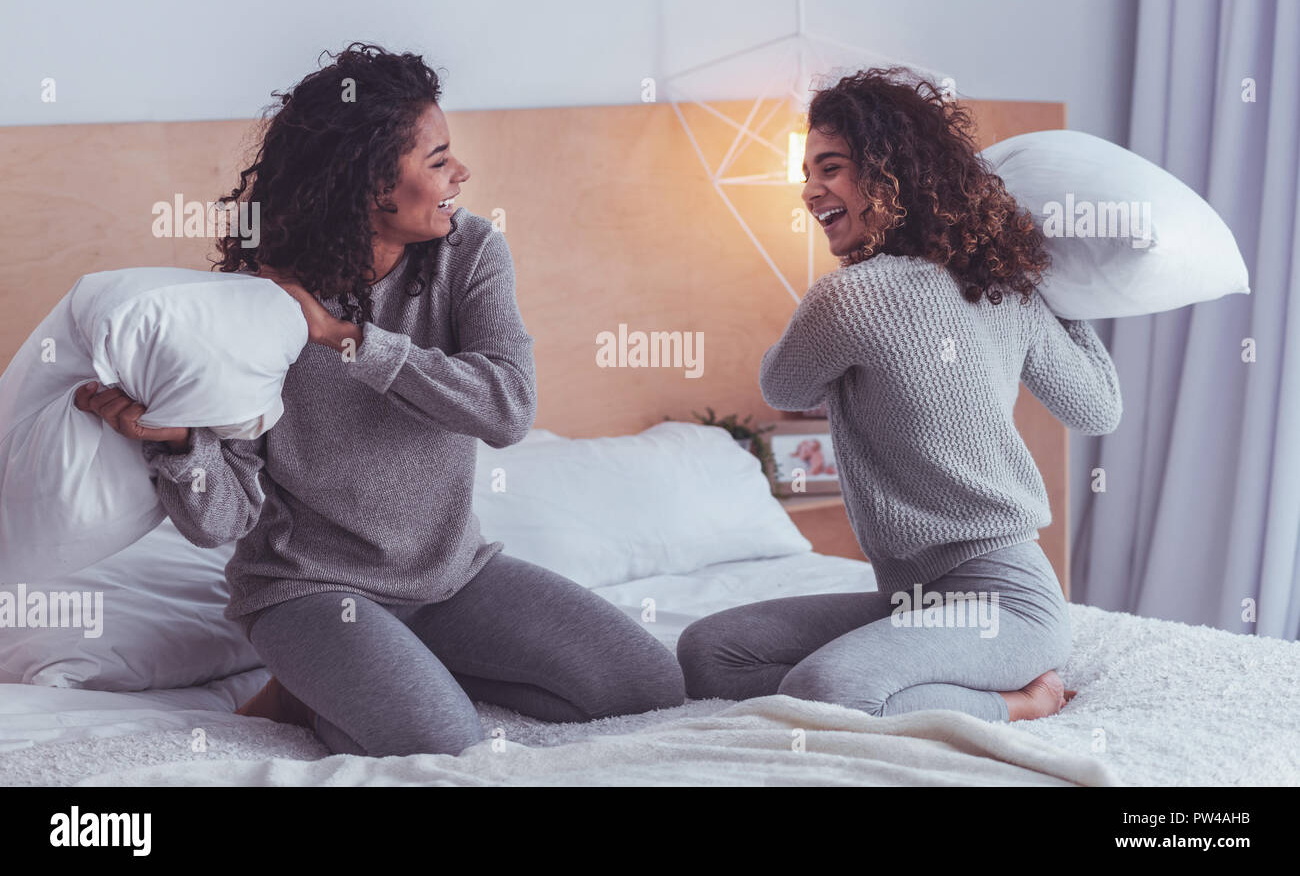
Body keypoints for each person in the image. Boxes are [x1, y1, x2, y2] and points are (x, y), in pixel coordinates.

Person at [75, 43, 684, 756]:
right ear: (369, 185)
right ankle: (330, 681)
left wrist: (348, 340)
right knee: (442, 742)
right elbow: (224, 520)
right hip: (308, 592)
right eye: (438, 160)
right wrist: (180, 445)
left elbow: (509, 407)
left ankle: (359, 679)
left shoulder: (471, 252)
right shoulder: (257, 304)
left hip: (453, 578)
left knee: (650, 686)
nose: (461, 173)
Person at [676, 67, 1122, 723]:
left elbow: (784, 383)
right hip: (912, 598)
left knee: (825, 689)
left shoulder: (853, 295)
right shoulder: (1002, 287)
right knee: (709, 650)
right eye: (807, 172)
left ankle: (1022, 699)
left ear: (890, 173)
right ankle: (888, 678)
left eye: (830, 167)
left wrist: (1049, 282)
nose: (810, 191)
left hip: (1009, 602)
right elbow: (1101, 407)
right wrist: (1051, 286)